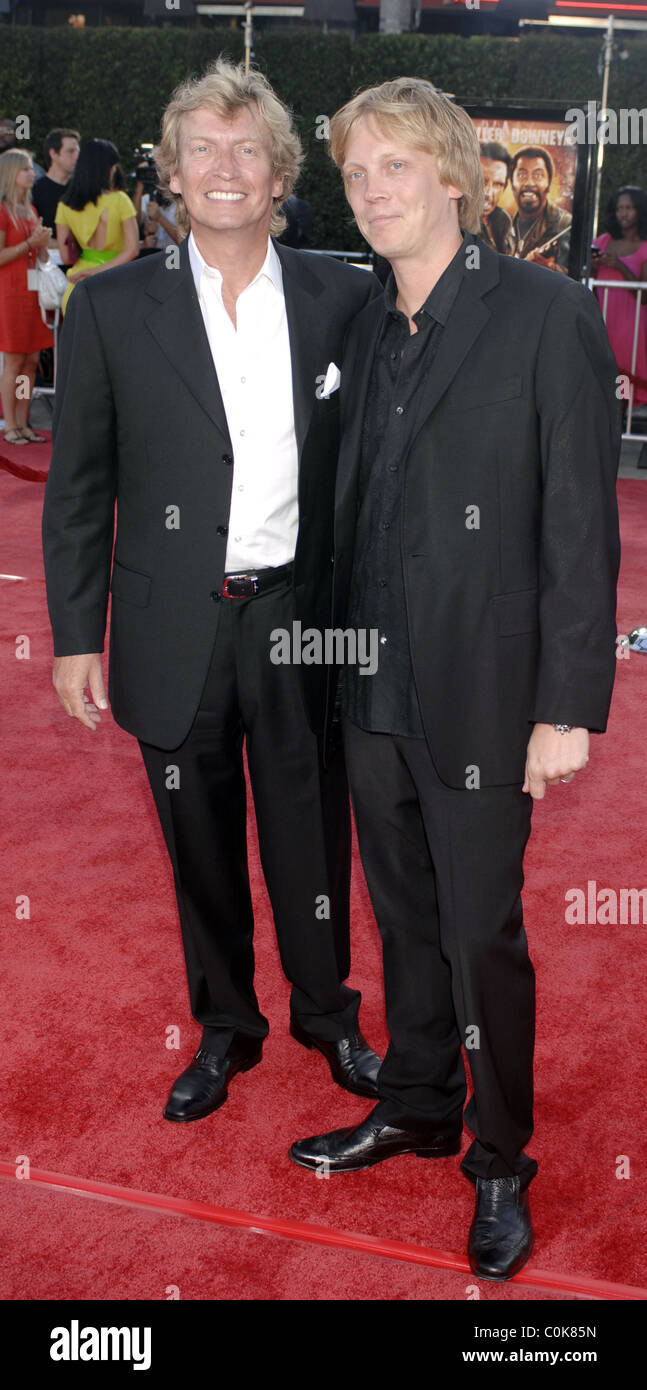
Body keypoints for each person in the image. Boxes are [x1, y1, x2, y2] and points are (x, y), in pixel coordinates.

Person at [288, 77, 620, 1283]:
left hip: (485, 689)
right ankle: (420, 1097)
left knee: (483, 934)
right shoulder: (365, 322)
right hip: (367, 683)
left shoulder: (543, 313)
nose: (372, 191)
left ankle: (496, 1158)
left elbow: (581, 526)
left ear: (451, 178)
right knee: (404, 915)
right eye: (355, 172)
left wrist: (564, 705)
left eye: (395, 167)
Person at [42, 59, 382, 1128]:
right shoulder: (105, 307)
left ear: (281, 173)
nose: (225, 169)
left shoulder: (345, 295)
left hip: (301, 620)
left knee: (310, 834)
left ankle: (328, 1014)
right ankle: (226, 1024)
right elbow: (79, 485)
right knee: (196, 846)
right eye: (203, 150)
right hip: (165, 619)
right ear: (172, 177)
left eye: (247, 150)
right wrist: (71, 634)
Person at [0, 148, 53, 446]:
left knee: (31, 360)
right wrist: (29, 244)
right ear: (11, 174)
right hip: (10, 292)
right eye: (26, 169)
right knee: (15, 360)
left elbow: (39, 254)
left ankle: (22, 421)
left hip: (32, 292)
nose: (32, 174)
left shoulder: (30, 211)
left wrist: (40, 244)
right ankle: (10, 424)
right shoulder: (2, 210)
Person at [54, 139, 139, 315]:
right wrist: (97, 272)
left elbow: (66, 257)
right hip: (117, 283)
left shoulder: (64, 205)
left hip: (77, 284)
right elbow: (132, 250)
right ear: (107, 168)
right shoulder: (120, 200)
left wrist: (89, 270)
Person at [592, 185, 647, 412]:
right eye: (619, 208)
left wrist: (620, 267)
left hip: (629, 325)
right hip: (602, 321)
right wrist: (593, 266)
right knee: (599, 377)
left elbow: (644, 296)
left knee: (623, 379)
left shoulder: (644, 247)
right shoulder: (603, 241)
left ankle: (619, 428)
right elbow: (584, 277)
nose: (623, 213)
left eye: (629, 208)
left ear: (640, 211)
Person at [510, 146, 571, 274]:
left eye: (538, 175)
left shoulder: (565, 224)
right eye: (521, 175)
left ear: (548, 183)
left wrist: (552, 269)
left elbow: (576, 272)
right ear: (511, 182)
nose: (530, 182)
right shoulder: (501, 224)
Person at [32, 128, 81, 237]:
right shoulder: (35, 192)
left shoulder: (82, 189)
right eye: (70, 151)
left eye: (78, 151)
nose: (77, 157)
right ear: (53, 154)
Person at [479, 141, 513, 255]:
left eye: (497, 184)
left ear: (504, 187)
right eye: (482, 181)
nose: (487, 193)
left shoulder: (503, 220)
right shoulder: (453, 223)